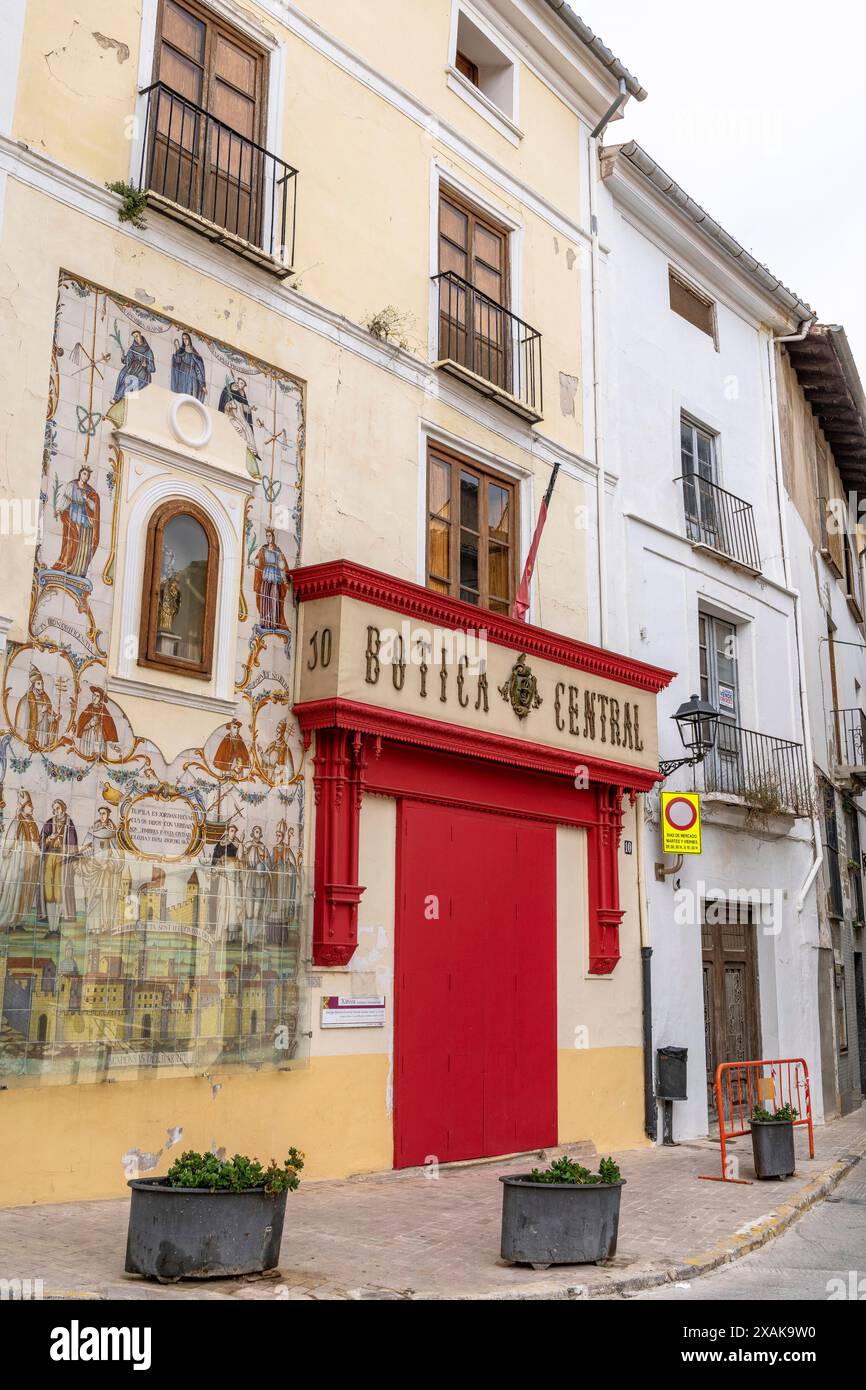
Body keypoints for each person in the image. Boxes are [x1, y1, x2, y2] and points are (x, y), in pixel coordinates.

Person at [79, 806, 124, 940]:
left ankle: (104, 926)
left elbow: (118, 855)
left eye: (104, 813)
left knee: (104, 897)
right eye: (100, 813)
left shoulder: (112, 832)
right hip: (94, 869)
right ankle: (93, 927)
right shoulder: (93, 830)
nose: (102, 816)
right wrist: (85, 854)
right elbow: (83, 848)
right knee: (93, 896)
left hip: (106, 872)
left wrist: (109, 865)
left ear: (109, 814)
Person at [0, 790, 40, 928]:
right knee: (15, 890)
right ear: (23, 807)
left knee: (26, 890)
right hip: (18, 861)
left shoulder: (33, 823)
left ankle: (19, 921)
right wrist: (7, 852)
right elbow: (8, 844)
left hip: (30, 862)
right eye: (29, 805)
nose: (32, 808)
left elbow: (35, 841)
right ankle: (9, 920)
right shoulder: (17, 822)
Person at [37, 800, 78, 934]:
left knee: (59, 893)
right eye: (54, 809)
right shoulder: (49, 823)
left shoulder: (69, 824)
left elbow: (73, 845)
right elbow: (40, 842)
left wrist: (72, 861)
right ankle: (51, 928)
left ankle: (56, 928)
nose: (56, 811)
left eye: (58, 808)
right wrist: (49, 839)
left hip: (63, 861)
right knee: (49, 893)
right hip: (50, 859)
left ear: (63, 808)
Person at [54, 465, 100, 577]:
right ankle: (68, 565)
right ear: (80, 474)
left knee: (83, 544)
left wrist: (87, 499)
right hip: (73, 516)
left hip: (85, 519)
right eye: (84, 474)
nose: (86, 477)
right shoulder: (72, 486)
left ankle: (79, 570)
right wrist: (59, 508)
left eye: (88, 475)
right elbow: (66, 498)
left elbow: (95, 508)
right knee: (72, 541)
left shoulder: (91, 492)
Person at [16, 666, 58, 751]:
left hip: (43, 733)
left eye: (42, 683)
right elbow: (26, 721)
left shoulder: (45, 698)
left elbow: (49, 716)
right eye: (38, 684)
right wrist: (41, 711)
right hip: (33, 734)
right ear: (33, 685)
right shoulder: (26, 700)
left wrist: (54, 718)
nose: (41, 686)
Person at [253, 529, 289, 629]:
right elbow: (258, 560)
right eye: (267, 536)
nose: (268, 538)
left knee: (274, 597)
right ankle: (265, 621)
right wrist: (254, 562)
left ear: (273, 537)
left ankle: (274, 622)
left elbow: (282, 564)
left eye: (270, 536)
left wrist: (284, 579)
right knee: (265, 596)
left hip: (275, 575)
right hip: (266, 573)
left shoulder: (277, 550)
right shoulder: (263, 549)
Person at [242, 825, 270, 945]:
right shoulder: (248, 845)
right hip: (250, 879)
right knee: (249, 913)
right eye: (256, 832)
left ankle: (252, 940)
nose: (257, 834)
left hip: (260, 881)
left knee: (256, 913)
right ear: (253, 834)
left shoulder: (263, 847)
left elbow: (269, 863)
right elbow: (242, 859)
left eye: (259, 832)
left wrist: (263, 864)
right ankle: (248, 938)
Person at [75, 687, 118, 760]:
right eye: (94, 695)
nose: (94, 697)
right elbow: (80, 725)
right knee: (87, 755)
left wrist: (113, 745)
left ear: (100, 699)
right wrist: (90, 724)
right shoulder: (88, 709)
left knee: (99, 757)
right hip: (88, 737)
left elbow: (109, 728)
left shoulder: (104, 711)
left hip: (99, 738)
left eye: (97, 696)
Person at [113, 330, 155, 400]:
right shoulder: (133, 348)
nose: (136, 338)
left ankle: (124, 400)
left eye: (137, 336)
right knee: (125, 380)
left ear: (140, 335)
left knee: (132, 383)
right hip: (132, 370)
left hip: (142, 374)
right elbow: (128, 360)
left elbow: (152, 368)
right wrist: (123, 357)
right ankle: (117, 398)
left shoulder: (148, 351)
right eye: (134, 337)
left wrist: (146, 365)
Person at [170, 331, 206, 400]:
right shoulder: (181, 351)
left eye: (186, 338)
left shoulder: (194, 354)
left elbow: (198, 370)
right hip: (182, 375)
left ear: (189, 339)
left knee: (190, 395)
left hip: (192, 376)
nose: (185, 340)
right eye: (183, 339)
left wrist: (202, 385)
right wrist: (177, 353)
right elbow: (177, 362)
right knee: (181, 395)